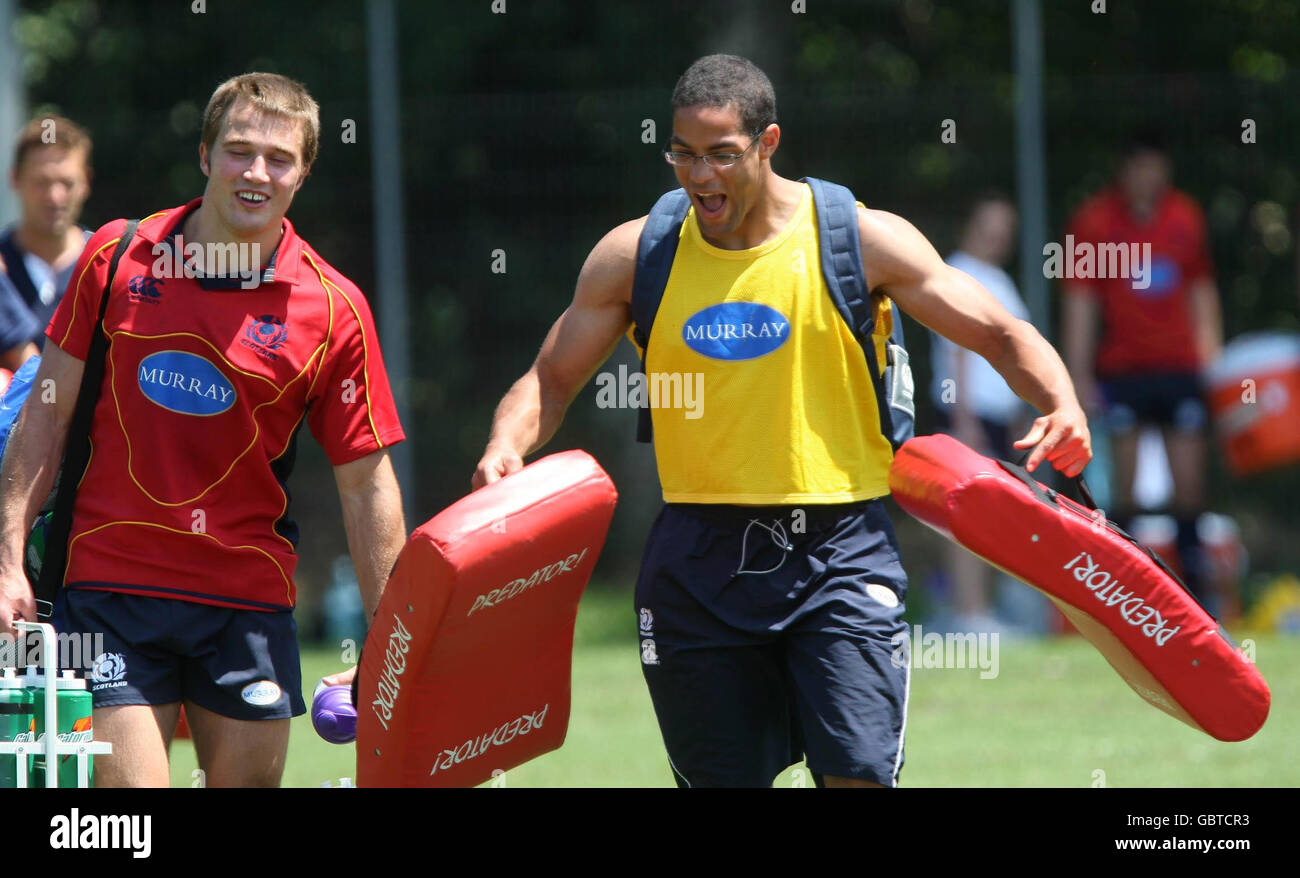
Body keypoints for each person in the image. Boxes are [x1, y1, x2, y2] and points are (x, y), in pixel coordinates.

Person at [474, 55, 1090, 788]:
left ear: (768, 143)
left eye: (721, 155)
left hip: (841, 549)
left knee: (859, 773)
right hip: (696, 558)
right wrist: (504, 448)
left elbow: (997, 331)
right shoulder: (639, 254)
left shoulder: (857, 240)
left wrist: (1061, 400)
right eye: (684, 154)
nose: (700, 176)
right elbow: (551, 378)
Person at [0, 73, 408, 787]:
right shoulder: (119, 257)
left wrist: (394, 639)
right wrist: (6, 559)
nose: (256, 172)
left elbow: (366, 486)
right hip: (110, 590)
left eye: (279, 158)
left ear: (304, 171)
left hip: (247, 603)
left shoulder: (333, 308)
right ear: (204, 154)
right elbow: (47, 411)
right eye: (239, 150)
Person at [1061, 132, 1222, 602]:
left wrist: (1212, 360)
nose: (1146, 178)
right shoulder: (1093, 222)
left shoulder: (1185, 217)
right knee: (1126, 488)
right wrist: (1077, 377)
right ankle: (1125, 594)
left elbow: (1201, 290)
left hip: (1181, 371)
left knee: (1189, 486)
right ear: (1123, 170)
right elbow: (1080, 301)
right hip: (1124, 374)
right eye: (1138, 168)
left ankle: (1199, 600)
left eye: (1155, 167)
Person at [929, 192, 1031, 632]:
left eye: (1005, 228)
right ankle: (968, 614)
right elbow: (961, 351)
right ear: (970, 224)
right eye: (989, 224)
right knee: (963, 512)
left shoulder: (998, 279)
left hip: (997, 417)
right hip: (966, 414)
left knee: (995, 516)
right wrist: (964, 419)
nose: (997, 235)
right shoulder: (955, 273)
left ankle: (985, 611)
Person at [0, 115, 94, 355]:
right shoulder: (3, 263)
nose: (54, 197)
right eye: (41, 182)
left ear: (86, 183)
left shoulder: (109, 266)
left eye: (67, 183)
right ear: (15, 180)